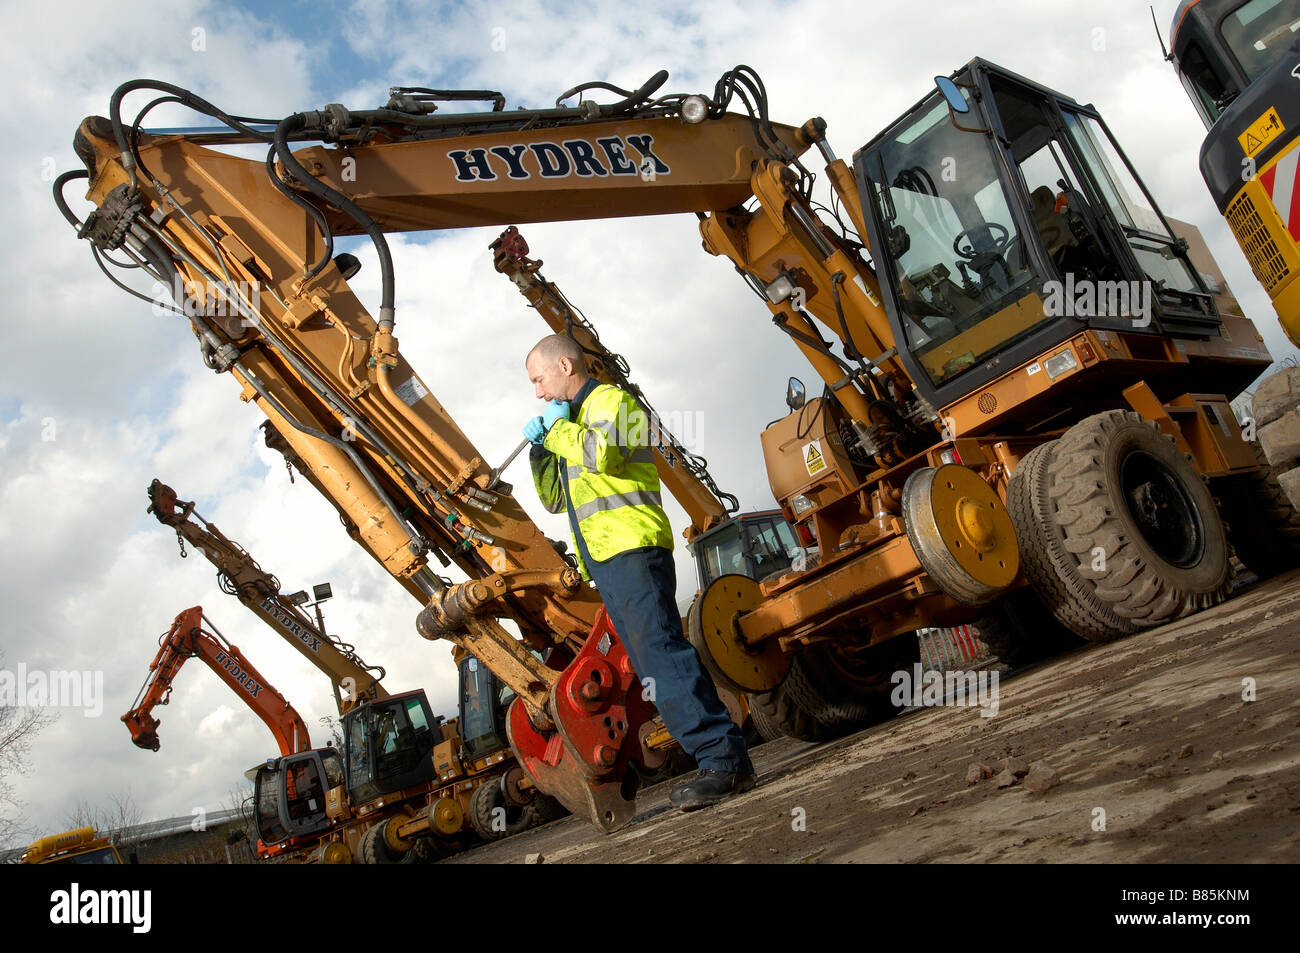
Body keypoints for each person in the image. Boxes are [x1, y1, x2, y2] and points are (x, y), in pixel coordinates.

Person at [523, 333, 755, 811]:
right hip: (607, 560)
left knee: (662, 653)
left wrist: (557, 432)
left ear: (565, 366)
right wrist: (541, 448)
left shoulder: (613, 403)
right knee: (651, 663)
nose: (538, 393)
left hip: (634, 549)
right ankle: (715, 757)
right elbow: (554, 499)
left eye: (539, 380)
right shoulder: (572, 423)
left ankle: (724, 760)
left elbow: (602, 454)